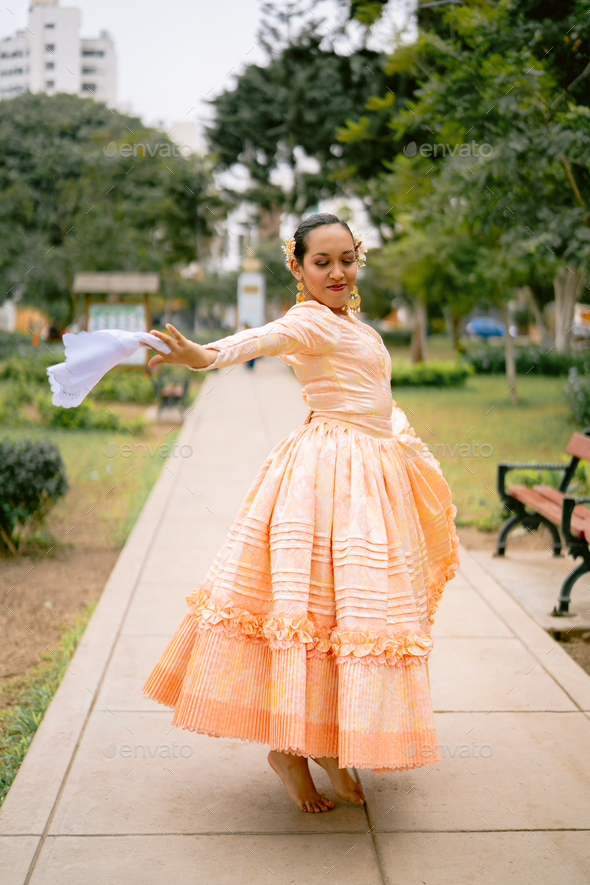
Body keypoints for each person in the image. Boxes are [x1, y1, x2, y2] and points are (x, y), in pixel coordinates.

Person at [142, 213, 460, 814]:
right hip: (327, 477)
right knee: (308, 610)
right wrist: (201, 354)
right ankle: (289, 751)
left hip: (367, 477)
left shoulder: (352, 322)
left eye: (347, 259)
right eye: (323, 262)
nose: (337, 271)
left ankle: (330, 747)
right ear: (297, 266)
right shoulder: (307, 320)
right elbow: (257, 340)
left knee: (346, 615)